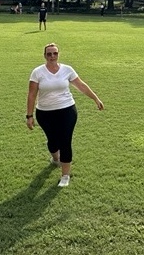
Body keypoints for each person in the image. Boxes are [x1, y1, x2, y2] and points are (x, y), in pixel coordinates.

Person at [26, 42, 103, 187]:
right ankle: (56, 159)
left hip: (67, 110)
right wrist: (29, 116)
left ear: (58, 54)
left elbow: (81, 85)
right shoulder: (37, 72)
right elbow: (31, 94)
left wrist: (95, 99)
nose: (52, 56)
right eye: (49, 54)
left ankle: (65, 175)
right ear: (44, 56)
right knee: (52, 141)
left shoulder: (67, 69)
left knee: (65, 141)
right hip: (45, 113)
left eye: (55, 53)